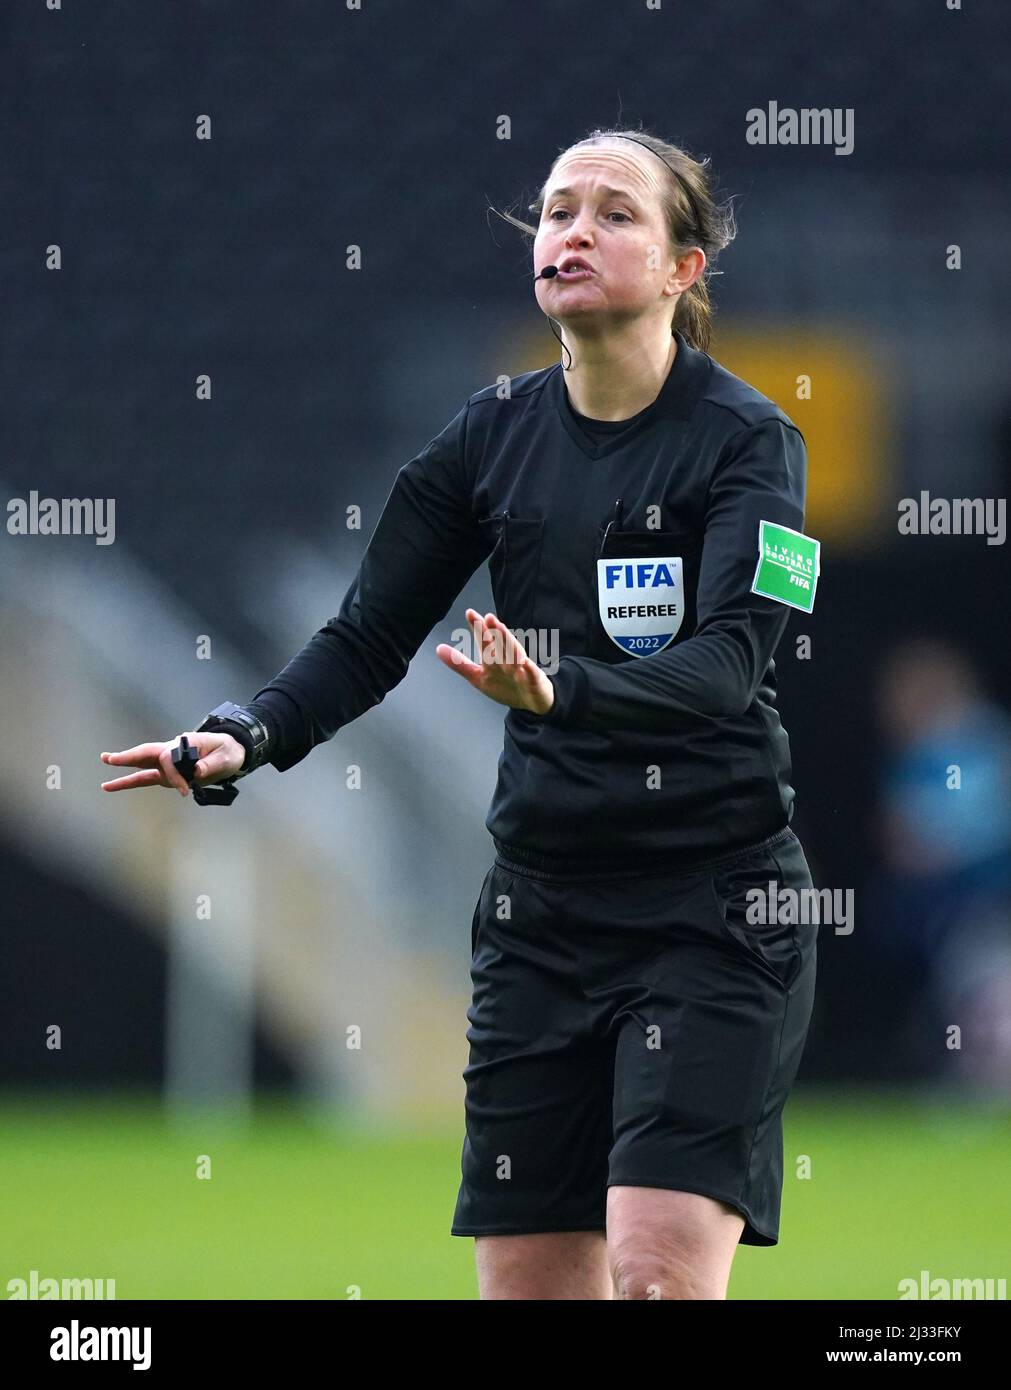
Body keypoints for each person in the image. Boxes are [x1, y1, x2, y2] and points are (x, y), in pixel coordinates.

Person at [101, 125, 820, 1300]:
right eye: (555, 210)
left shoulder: (750, 441)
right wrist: (255, 728)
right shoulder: (484, 438)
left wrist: (560, 689)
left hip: (714, 910)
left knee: (652, 1281)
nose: (572, 230)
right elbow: (366, 637)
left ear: (687, 268)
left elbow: (729, 668)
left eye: (614, 211)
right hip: (541, 921)